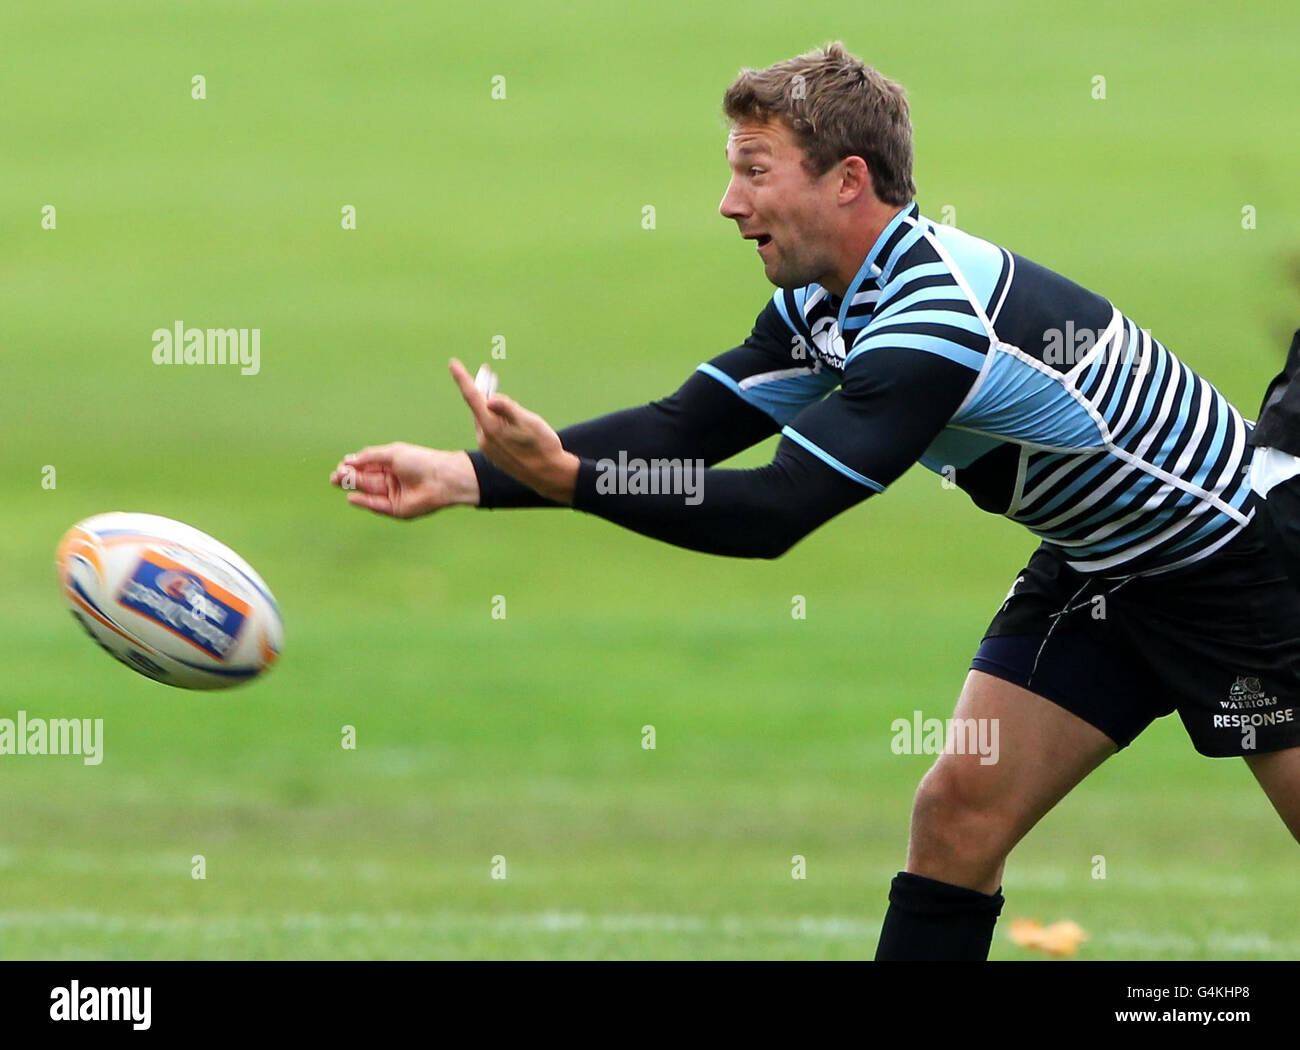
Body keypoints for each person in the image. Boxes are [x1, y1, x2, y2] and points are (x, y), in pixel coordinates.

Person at [330, 42, 1300, 960]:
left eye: (755, 171)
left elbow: (773, 513)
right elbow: (684, 430)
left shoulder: (930, 319)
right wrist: (465, 476)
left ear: (846, 180)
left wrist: (577, 483)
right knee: (958, 815)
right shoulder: (830, 302)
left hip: (1234, 568)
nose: (726, 202)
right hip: (1097, 563)